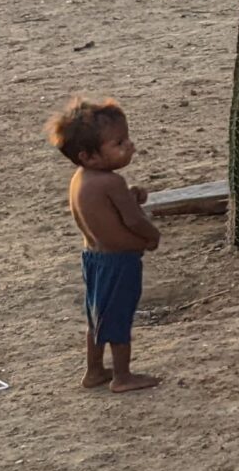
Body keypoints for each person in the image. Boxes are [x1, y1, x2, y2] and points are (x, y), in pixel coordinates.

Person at [48, 96, 160, 393]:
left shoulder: (81, 179)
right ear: (89, 156)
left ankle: (94, 371)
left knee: (97, 315)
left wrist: (130, 196)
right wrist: (151, 237)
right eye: (119, 143)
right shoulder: (111, 183)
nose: (130, 146)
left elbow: (104, 213)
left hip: (93, 258)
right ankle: (122, 376)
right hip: (119, 261)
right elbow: (133, 221)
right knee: (120, 318)